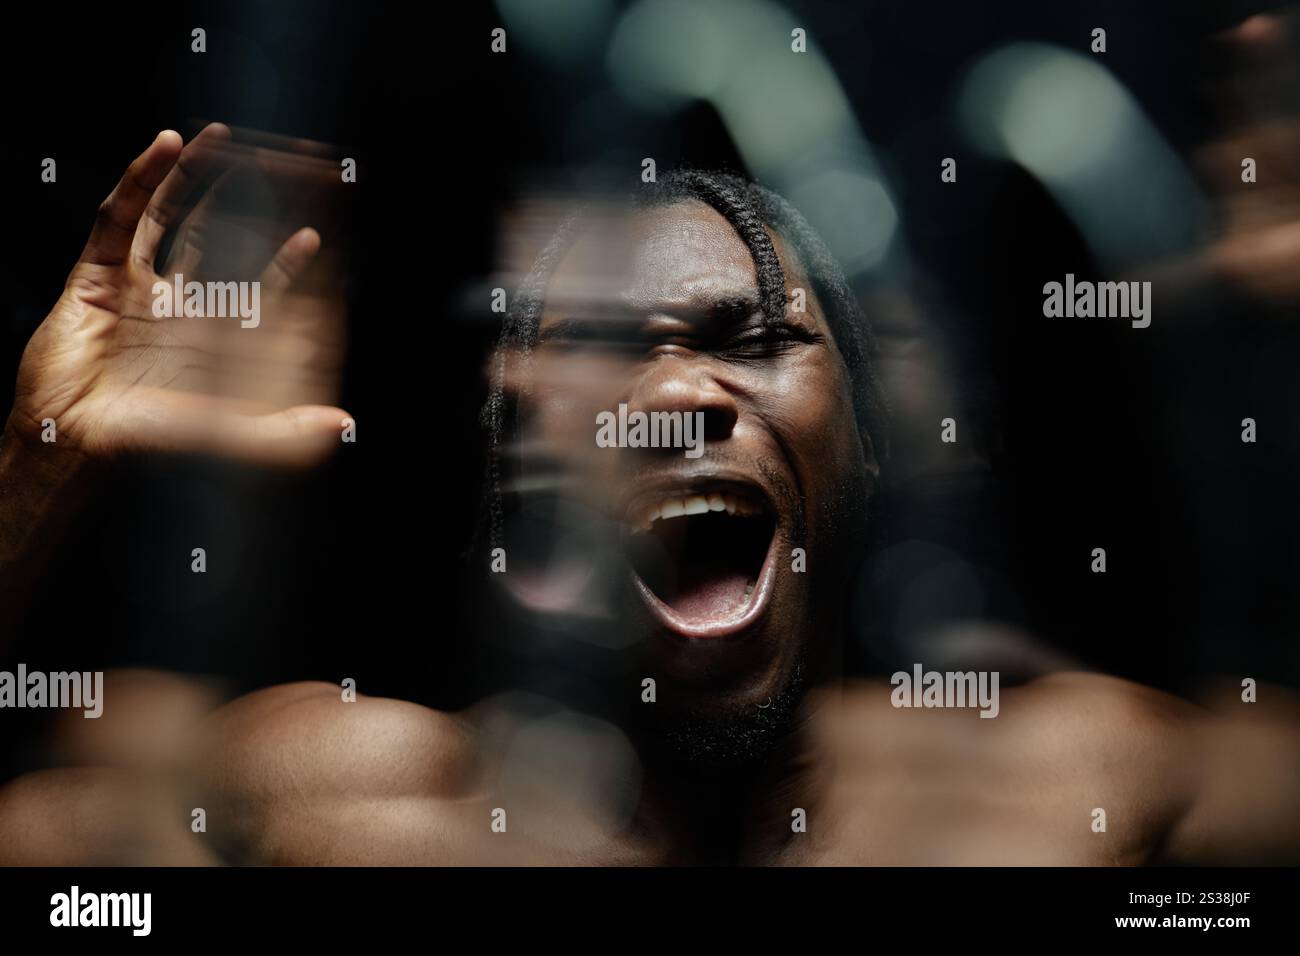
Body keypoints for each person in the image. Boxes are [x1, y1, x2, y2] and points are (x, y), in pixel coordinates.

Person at [1, 131, 1297, 866]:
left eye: (749, 338)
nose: (674, 393)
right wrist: (41, 458)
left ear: (870, 438)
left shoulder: (1091, 793)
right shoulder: (338, 812)